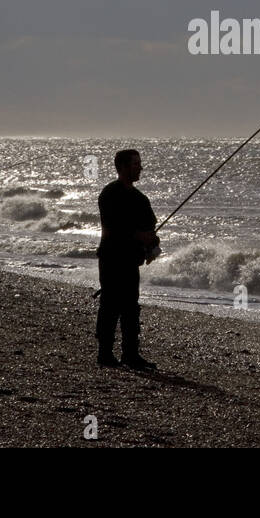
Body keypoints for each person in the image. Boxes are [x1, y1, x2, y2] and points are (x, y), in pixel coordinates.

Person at [96, 149, 160, 370]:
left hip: (132, 260)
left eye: (139, 164)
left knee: (131, 308)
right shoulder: (109, 194)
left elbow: (150, 224)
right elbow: (113, 225)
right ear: (122, 167)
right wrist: (138, 235)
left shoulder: (140, 198)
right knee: (110, 306)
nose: (140, 168)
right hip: (111, 259)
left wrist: (151, 241)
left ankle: (131, 354)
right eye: (135, 164)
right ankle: (104, 353)